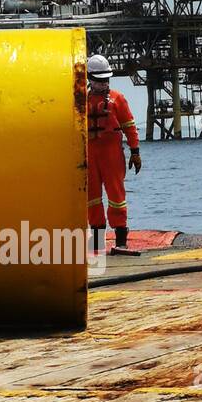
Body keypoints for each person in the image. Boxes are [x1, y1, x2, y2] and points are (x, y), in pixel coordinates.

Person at [86, 54, 141, 254]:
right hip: (89, 156)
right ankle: (97, 242)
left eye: (106, 79)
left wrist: (135, 151)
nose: (104, 83)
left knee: (117, 196)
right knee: (92, 199)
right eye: (100, 80)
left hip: (112, 155)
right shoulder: (80, 100)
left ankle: (120, 240)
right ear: (90, 79)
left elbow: (130, 126)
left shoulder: (118, 99)